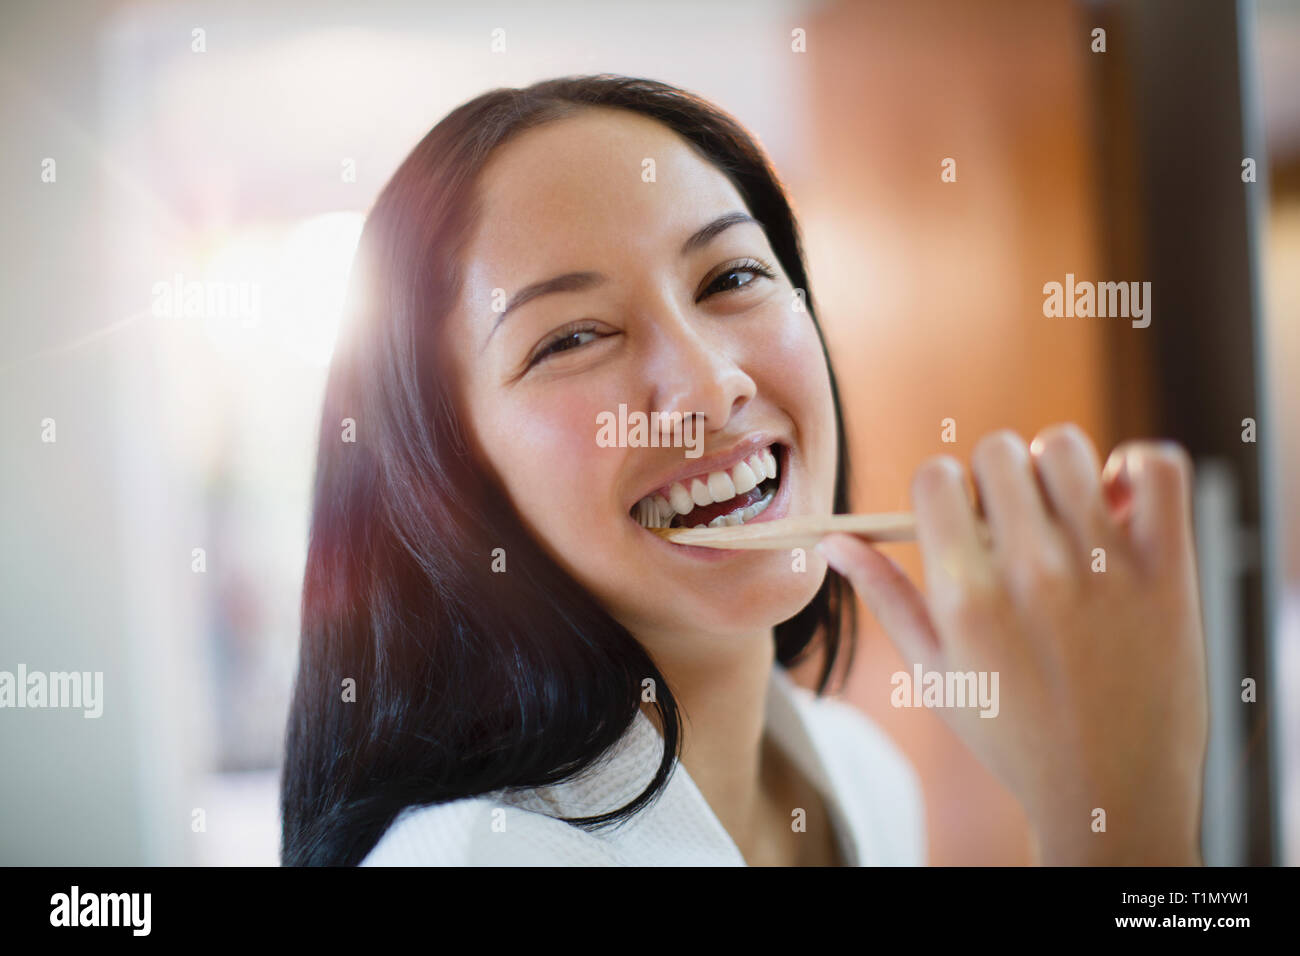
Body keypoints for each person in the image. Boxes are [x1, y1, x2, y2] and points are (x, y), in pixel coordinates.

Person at [279, 74, 1208, 867]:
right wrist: (1124, 815)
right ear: (448, 479)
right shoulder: (486, 858)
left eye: (730, 279)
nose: (711, 385)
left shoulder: (864, 774)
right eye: (571, 337)